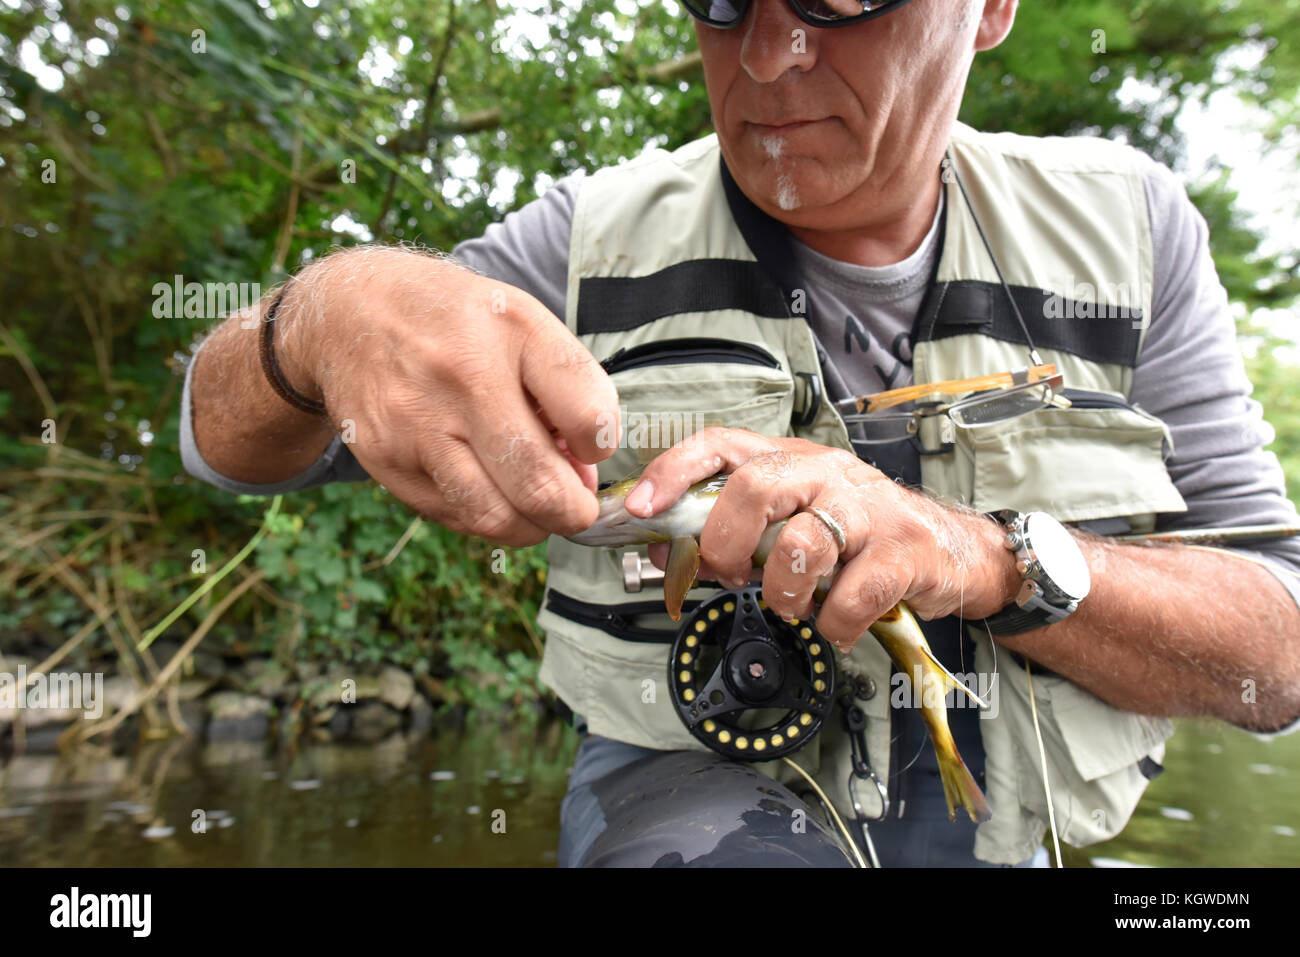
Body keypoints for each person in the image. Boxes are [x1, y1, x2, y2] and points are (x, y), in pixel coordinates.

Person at [181, 0, 1300, 867]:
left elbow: (1276, 653)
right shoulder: (581, 244)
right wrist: (315, 320)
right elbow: (214, 445)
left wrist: (988, 559)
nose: (766, 56)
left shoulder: (1134, 229)